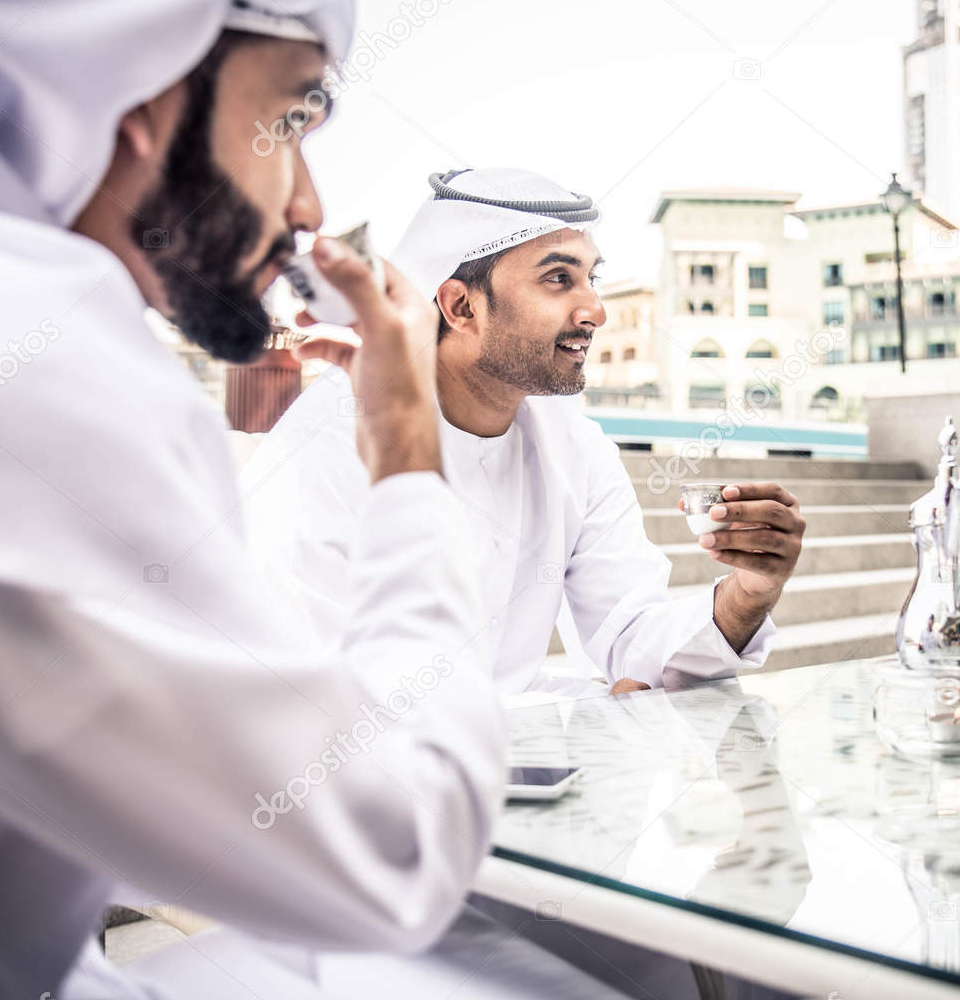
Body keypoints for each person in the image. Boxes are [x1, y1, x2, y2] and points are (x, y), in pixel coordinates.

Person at [0, 0, 664, 1000]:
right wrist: (405, 450)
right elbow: (396, 848)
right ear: (134, 93)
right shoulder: (27, 366)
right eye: (287, 121)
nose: (306, 204)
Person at [242, 168, 807, 701]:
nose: (595, 311)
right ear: (461, 306)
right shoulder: (326, 442)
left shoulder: (574, 446)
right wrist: (582, 707)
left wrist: (747, 595)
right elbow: (331, 701)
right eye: (559, 279)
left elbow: (631, 634)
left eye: (591, 279)